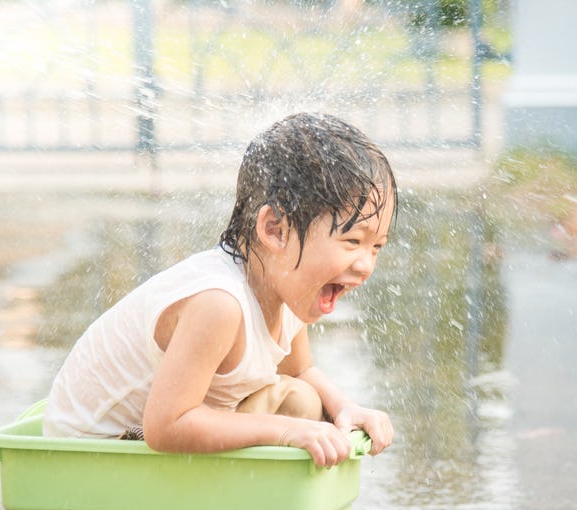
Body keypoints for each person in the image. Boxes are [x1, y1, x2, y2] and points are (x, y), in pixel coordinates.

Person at [42, 112, 395, 467]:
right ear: (275, 230)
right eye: (352, 241)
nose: (366, 265)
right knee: (297, 419)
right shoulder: (219, 304)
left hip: (140, 435)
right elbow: (167, 426)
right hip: (89, 454)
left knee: (303, 402)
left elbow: (300, 372)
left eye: (376, 247)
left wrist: (345, 408)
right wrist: (287, 431)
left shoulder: (285, 289)